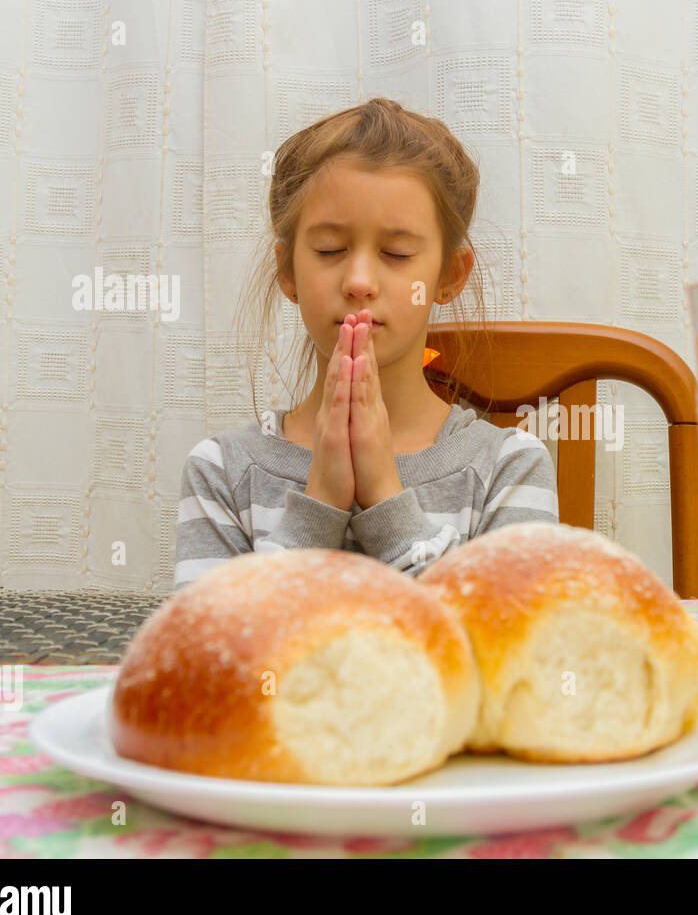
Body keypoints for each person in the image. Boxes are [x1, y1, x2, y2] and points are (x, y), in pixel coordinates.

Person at [174, 99, 557, 590]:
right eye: (329, 250)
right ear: (288, 271)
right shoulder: (221, 471)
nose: (358, 281)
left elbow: (497, 652)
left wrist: (384, 499)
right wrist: (319, 509)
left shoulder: (510, 466)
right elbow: (213, 656)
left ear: (449, 275)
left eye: (396, 254)